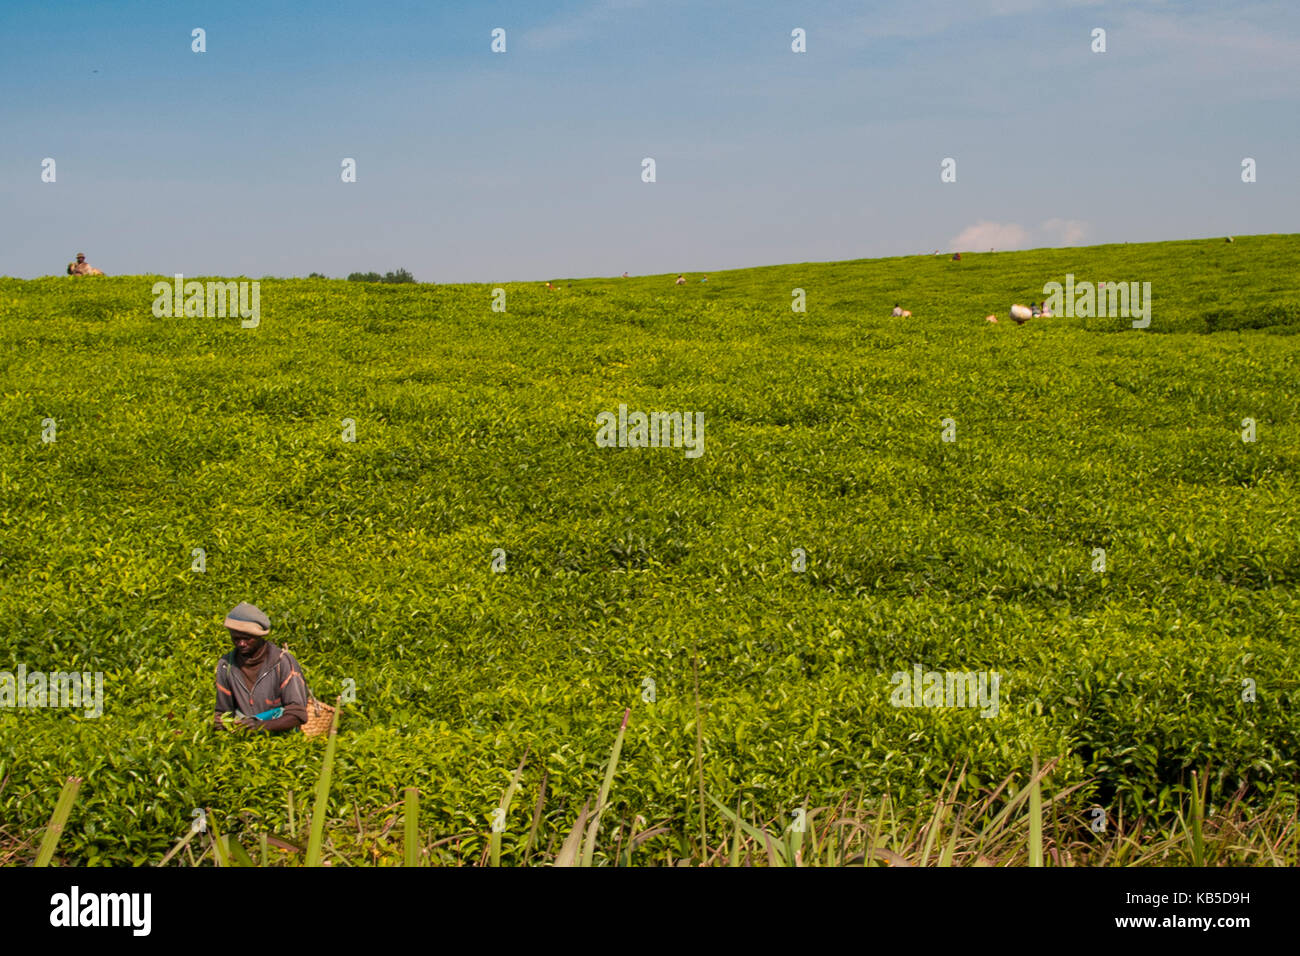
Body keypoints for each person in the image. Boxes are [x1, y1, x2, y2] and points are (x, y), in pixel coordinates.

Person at [214, 602, 309, 734]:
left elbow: (298, 715)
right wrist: (221, 722)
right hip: (244, 739)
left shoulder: (282, 662)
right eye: (236, 639)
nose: (241, 643)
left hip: (281, 741)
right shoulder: (226, 665)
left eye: (247, 639)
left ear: (259, 636)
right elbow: (224, 711)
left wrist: (262, 726)